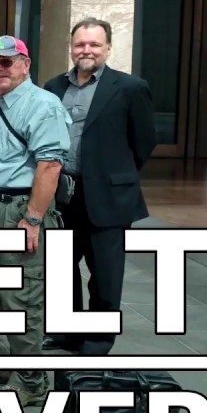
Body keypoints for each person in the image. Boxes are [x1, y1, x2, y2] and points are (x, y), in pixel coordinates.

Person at [43, 18, 155, 356]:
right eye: (80, 44)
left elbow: (144, 142)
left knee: (105, 273)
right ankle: (67, 333)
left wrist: (113, 174)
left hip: (109, 196)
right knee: (61, 270)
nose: (86, 50)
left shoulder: (131, 87)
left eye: (93, 44)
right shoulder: (53, 87)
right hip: (62, 195)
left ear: (107, 48)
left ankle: (97, 339)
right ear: (71, 47)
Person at [0, 35, 70, 407]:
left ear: (25, 64)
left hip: (17, 212)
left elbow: (50, 165)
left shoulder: (43, 105)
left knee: (22, 298)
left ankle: (32, 383)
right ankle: (20, 366)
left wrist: (32, 218)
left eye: (7, 62)